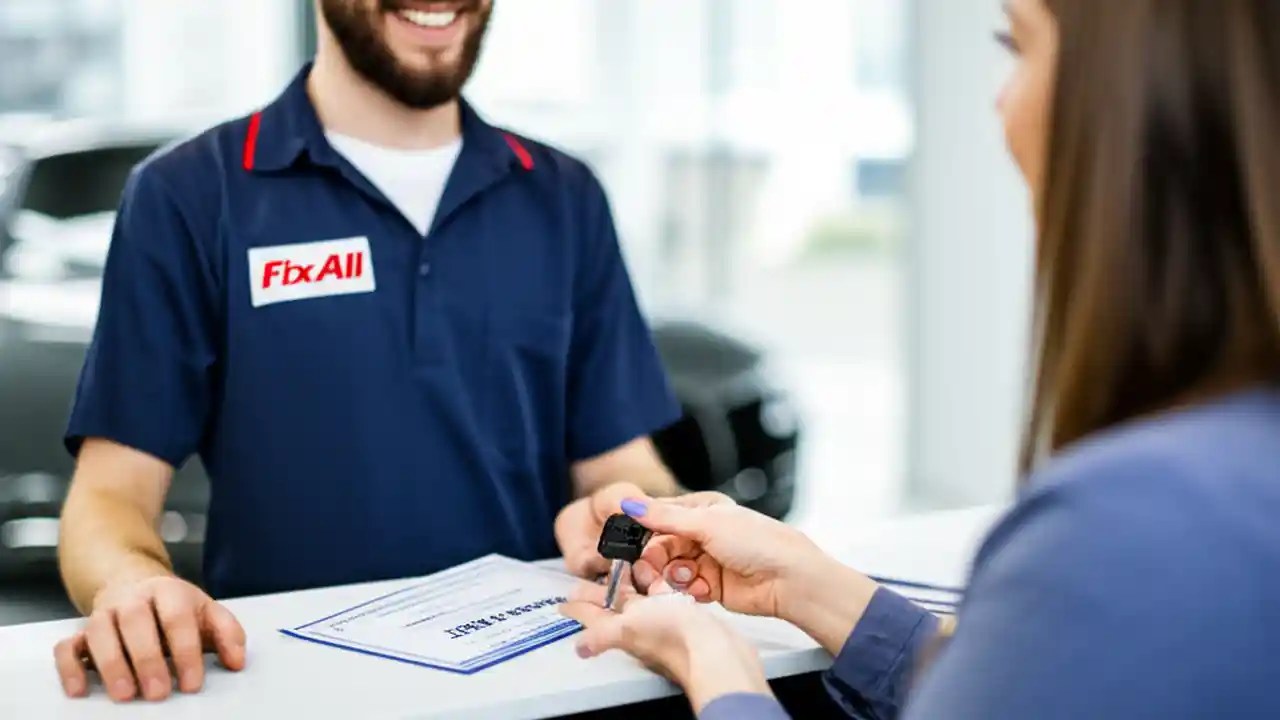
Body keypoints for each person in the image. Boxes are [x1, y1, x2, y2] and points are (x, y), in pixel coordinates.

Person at [561, 0, 1280, 717]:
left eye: (1017, 48)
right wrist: (807, 584)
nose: (999, 101)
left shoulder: (1126, 524)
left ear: (1136, 100)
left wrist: (711, 661)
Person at [52, 0, 683, 703]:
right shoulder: (191, 194)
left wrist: (643, 519)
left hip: (538, 685)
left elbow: (622, 466)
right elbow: (109, 495)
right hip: (291, 695)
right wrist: (133, 583)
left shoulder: (562, 195)